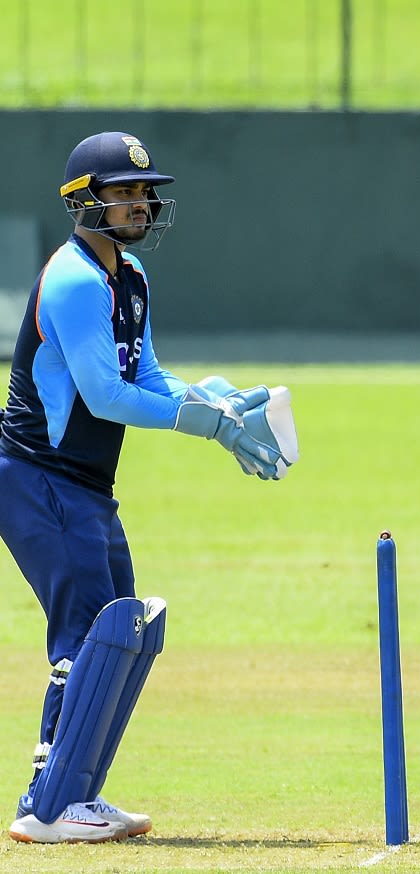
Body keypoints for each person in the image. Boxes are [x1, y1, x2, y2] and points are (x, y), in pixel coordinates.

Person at [1, 131, 300, 843]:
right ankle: (46, 806)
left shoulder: (129, 278)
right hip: (37, 477)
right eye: (122, 191)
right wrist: (207, 426)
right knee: (85, 633)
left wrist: (216, 399)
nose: (139, 201)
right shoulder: (73, 279)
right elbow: (105, 397)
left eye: (143, 191)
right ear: (84, 201)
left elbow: (149, 378)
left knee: (124, 629)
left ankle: (79, 794)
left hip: (84, 486)